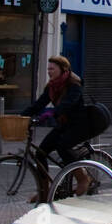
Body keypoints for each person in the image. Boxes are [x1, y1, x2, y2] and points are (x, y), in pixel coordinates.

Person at [23, 55, 93, 195]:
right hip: (63, 124)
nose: (49, 71)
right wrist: (22, 116)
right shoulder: (52, 86)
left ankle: (83, 178)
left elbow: (69, 103)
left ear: (63, 69)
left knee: (63, 147)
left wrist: (52, 113)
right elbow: (39, 104)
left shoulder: (74, 84)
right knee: (40, 153)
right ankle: (44, 191)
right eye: (48, 69)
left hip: (78, 124)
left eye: (52, 69)